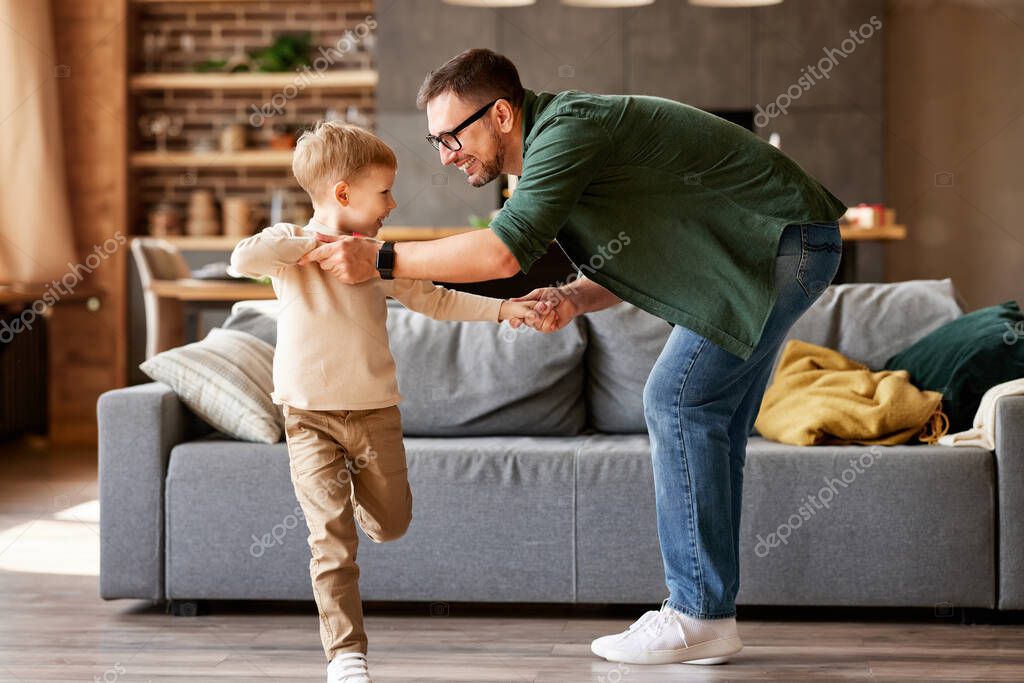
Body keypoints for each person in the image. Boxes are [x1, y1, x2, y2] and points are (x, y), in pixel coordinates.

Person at [299, 49, 846, 667]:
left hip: (780, 243)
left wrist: (380, 258)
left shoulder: (567, 132)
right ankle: (705, 611)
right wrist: (574, 296)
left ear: (502, 114)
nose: (447, 156)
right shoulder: (560, 142)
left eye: (452, 136)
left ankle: (698, 615)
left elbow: (504, 253)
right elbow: (648, 241)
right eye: (436, 141)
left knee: (676, 400)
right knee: (710, 421)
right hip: (782, 244)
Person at [230, 121, 536, 683]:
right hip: (307, 418)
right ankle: (346, 656)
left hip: (374, 414)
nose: (392, 203)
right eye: (385, 192)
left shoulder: (379, 259)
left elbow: (437, 301)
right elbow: (242, 259)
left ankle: (361, 508)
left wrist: (502, 309)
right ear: (343, 193)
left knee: (392, 523)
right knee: (331, 542)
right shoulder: (287, 252)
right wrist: (309, 244)